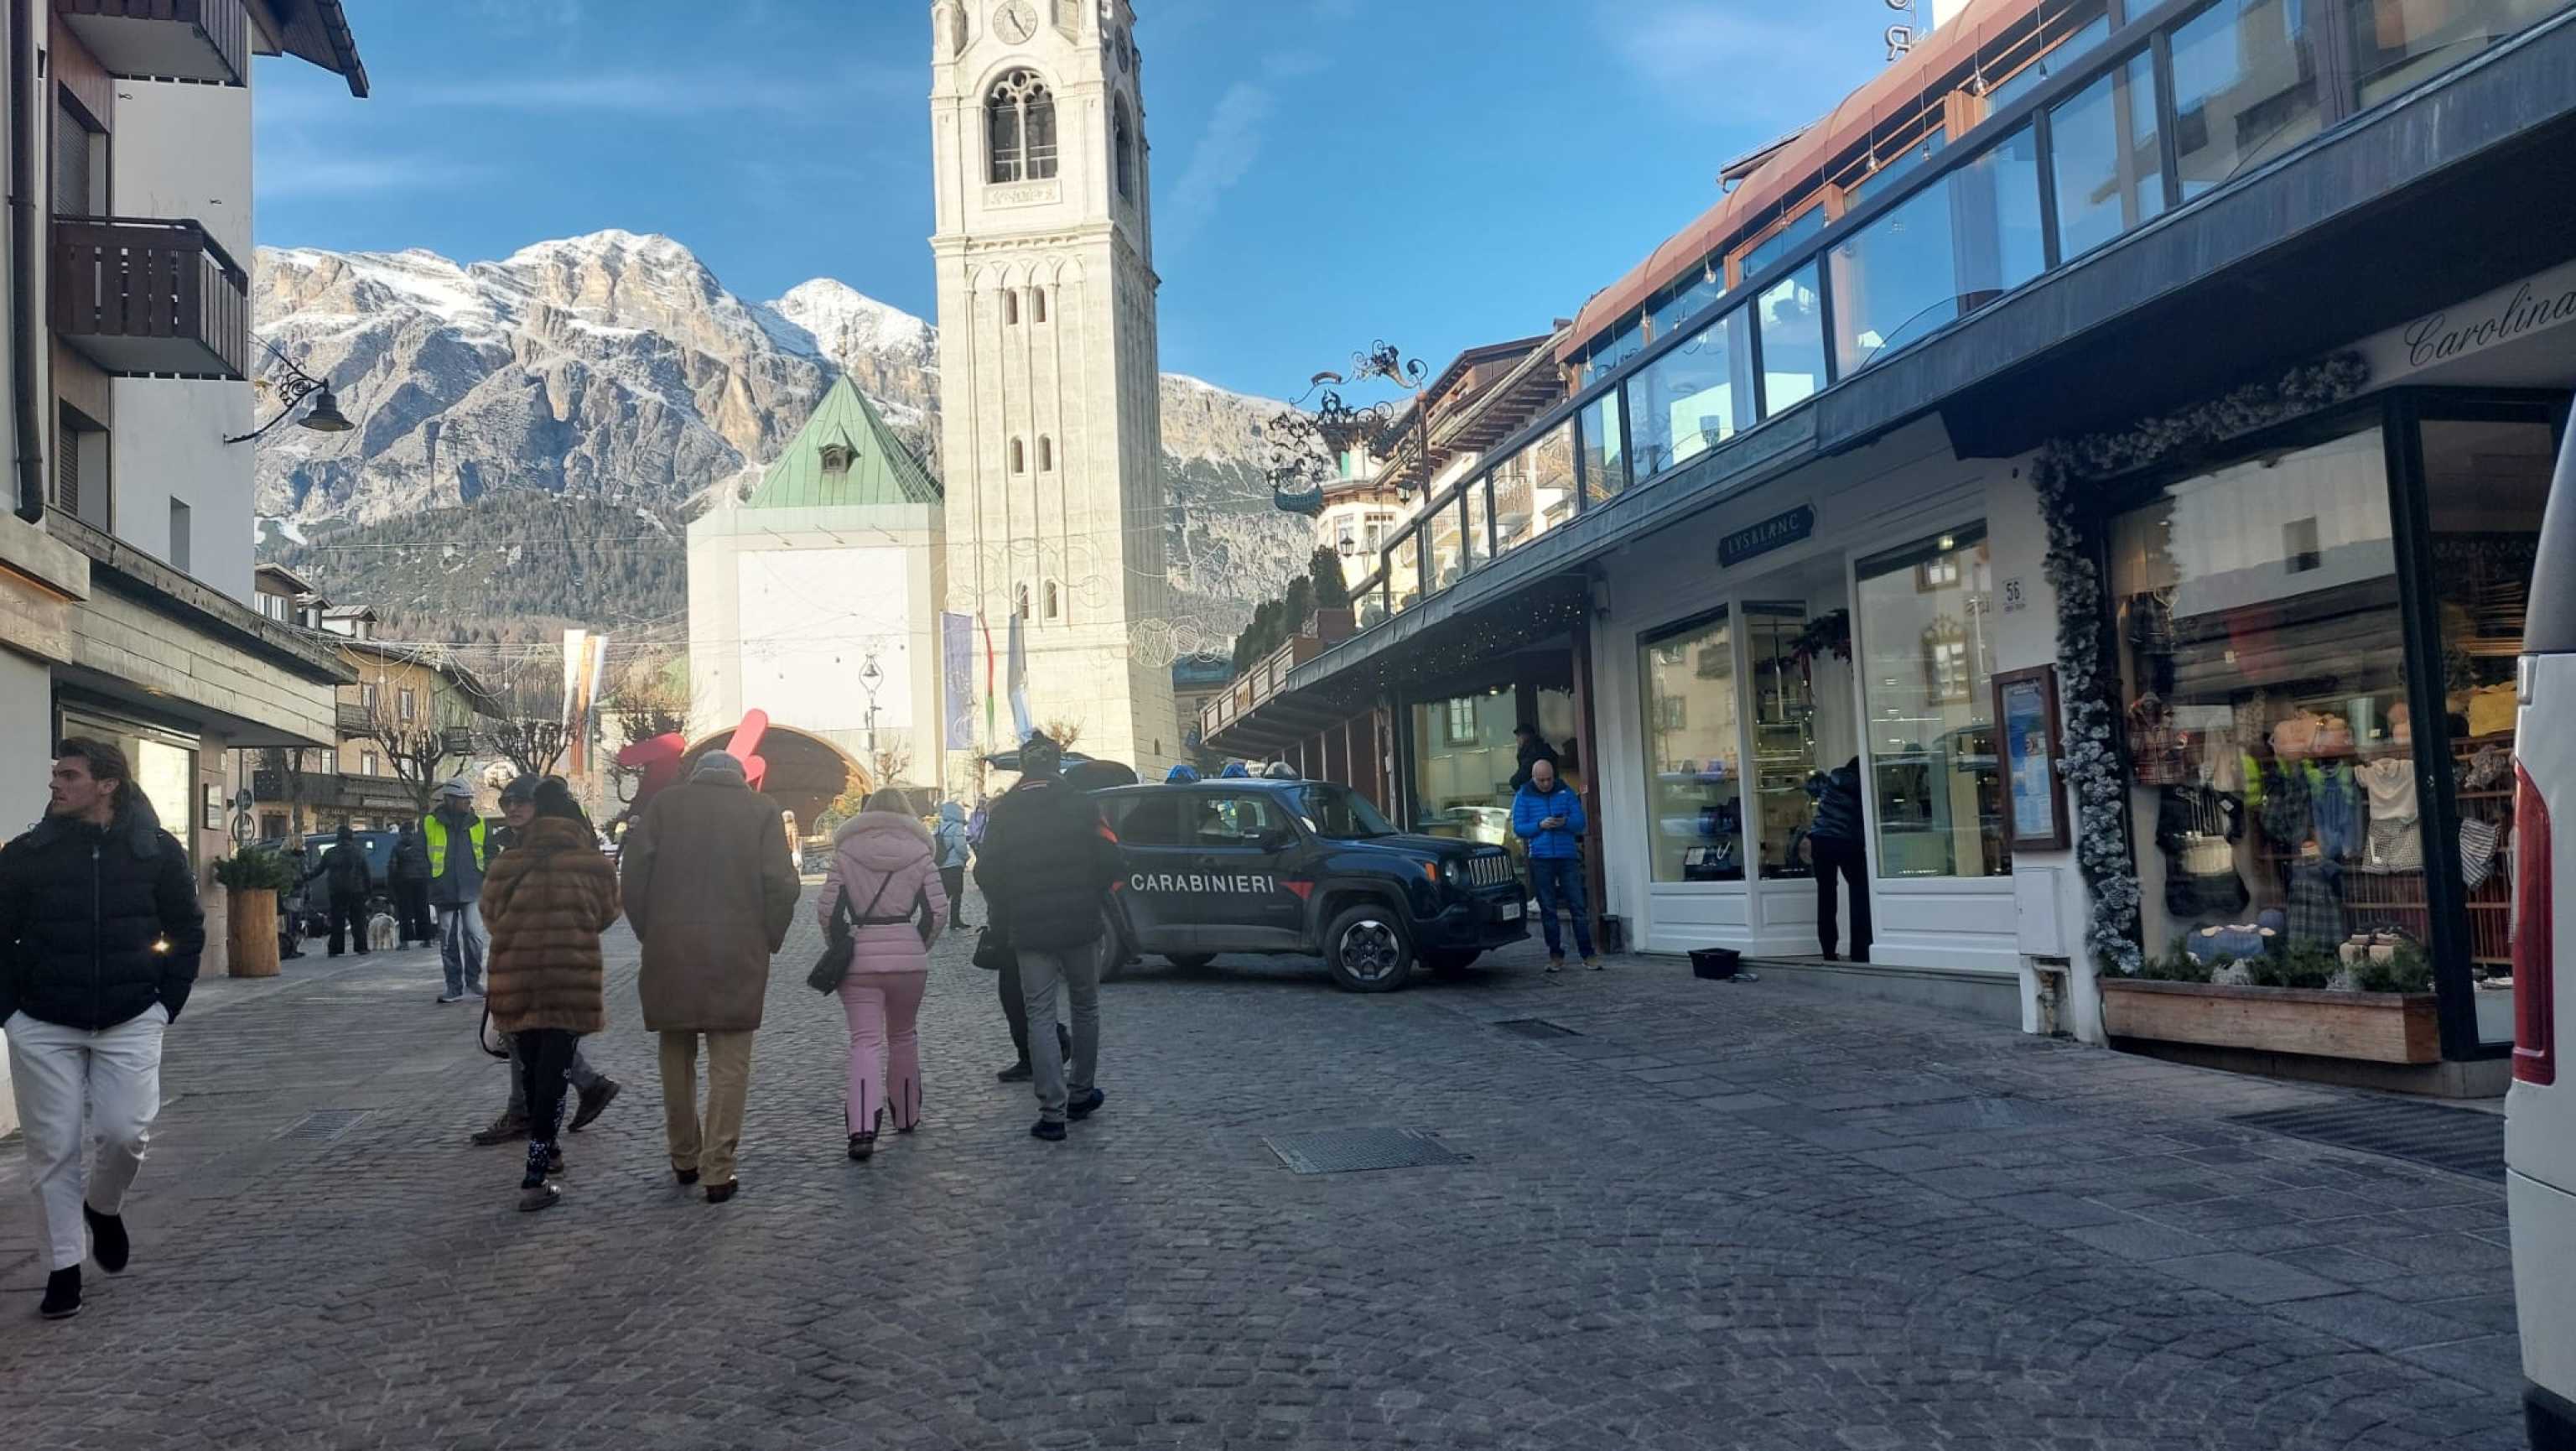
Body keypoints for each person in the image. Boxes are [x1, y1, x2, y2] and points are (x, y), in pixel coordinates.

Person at [0, 739, 205, 1320]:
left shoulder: (156, 851)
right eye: (55, 775)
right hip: (41, 1022)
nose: (55, 784)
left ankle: (104, 1206)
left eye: (69, 775)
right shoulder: (25, 855)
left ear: (107, 784)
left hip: (132, 1016)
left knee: (125, 1133)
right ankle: (63, 1268)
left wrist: (166, 1003)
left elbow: (187, 929)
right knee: (52, 1149)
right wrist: (9, 1012)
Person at [620, 752, 798, 1204]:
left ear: (695, 774)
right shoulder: (761, 810)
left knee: (675, 1054)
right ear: (740, 777)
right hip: (737, 950)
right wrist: (767, 937)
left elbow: (633, 877)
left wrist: (650, 932)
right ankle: (718, 1169)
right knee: (730, 1063)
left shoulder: (664, 806)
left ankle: (683, 1156)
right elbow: (782, 883)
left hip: (670, 949)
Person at [479, 778, 621, 1213]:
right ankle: (534, 1177)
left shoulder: (508, 863)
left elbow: (490, 917)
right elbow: (607, 913)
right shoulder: (591, 864)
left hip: (516, 980)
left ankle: (549, 1154)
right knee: (554, 1078)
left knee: (533, 1072)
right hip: (567, 981)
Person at [974, 732, 1121, 1142]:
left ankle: (1052, 1112)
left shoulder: (1005, 811)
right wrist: (1091, 891)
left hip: (1029, 925)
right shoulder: (1083, 804)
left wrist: (1008, 903)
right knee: (1085, 1006)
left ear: (1024, 766)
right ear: (1058, 764)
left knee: (1039, 1013)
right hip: (1081, 921)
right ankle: (1081, 1093)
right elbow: (1112, 857)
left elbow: (985, 871)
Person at [819, 790, 947, 1161]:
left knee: (865, 1041)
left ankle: (861, 1128)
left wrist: (840, 945)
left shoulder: (844, 855)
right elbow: (938, 912)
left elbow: (827, 911)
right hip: (908, 956)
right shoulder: (922, 855)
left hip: (859, 959)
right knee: (904, 1036)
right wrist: (918, 945)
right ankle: (906, 1114)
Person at [1512, 757, 1598, 972]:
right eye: (1541, 780)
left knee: (1578, 907)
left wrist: (1564, 823)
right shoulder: (1524, 794)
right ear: (1533, 778)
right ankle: (1555, 955)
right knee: (1548, 909)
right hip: (1540, 857)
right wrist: (1540, 825)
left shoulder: (1566, 792)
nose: (1546, 784)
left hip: (1566, 855)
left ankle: (1588, 954)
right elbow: (1519, 828)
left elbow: (1581, 823)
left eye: (1549, 779)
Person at [424, 779, 490, 1004]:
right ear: (450, 800)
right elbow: (420, 854)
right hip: (443, 891)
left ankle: (473, 980)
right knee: (447, 940)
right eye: (464, 799)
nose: (468, 803)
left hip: (472, 889)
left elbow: (490, 852)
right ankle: (454, 986)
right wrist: (429, 881)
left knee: (474, 936)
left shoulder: (479, 823)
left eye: (470, 799)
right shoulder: (430, 823)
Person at [1807, 757, 1870, 963]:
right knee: (1860, 892)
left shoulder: (1832, 781)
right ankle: (1861, 951)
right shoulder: (1863, 783)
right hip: (1846, 840)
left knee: (1826, 896)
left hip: (1820, 839)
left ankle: (1828, 951)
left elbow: (1812, 789)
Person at [322, 823, 376, 958]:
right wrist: (369, 891)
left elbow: (319, 869)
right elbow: (366, 873)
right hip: (356, 890)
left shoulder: (330, 853)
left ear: (338, 838)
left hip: (336, 890)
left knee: (337, 920)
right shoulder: (358, 852)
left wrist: (305, 876)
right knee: (358, 920)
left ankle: (335, 948)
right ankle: (361, 947)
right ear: (350, 837)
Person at [389, 821, 434, 949]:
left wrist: (391, 884)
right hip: (421, 881)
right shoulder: (421, 846)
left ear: (401, 833)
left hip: (404, 882)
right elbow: (428, 863)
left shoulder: (397, 848)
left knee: (404, 912)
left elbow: (393, 867)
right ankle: (427, 939)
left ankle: (405, 942)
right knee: (423, 910)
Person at [932, 801, 973, 932]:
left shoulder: (939, 827)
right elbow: (961, 846)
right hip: (955, 865)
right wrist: (966, 858)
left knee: (945, 894)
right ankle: (955, 921)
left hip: (941, 864)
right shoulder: (957, 827)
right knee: (957, 894)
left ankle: (936, 919)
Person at [278, 837, 314, 961]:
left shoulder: (291, 856)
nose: (303, 845)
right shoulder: (292, 858)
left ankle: (292, 948)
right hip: (294, 892)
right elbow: (299, 875)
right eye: (301, 843)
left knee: (294, 921)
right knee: (293, 921)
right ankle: (291, 948)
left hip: (295, 892)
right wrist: (301, 882)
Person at [1509, 722, 1561, 792]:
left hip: (1537, 794)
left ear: (1525, 736)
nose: (1517, 740)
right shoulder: (1543, 748)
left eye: (1518, 736)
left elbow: (1523, 775)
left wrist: (1513, 781)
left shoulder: (1532, 752)